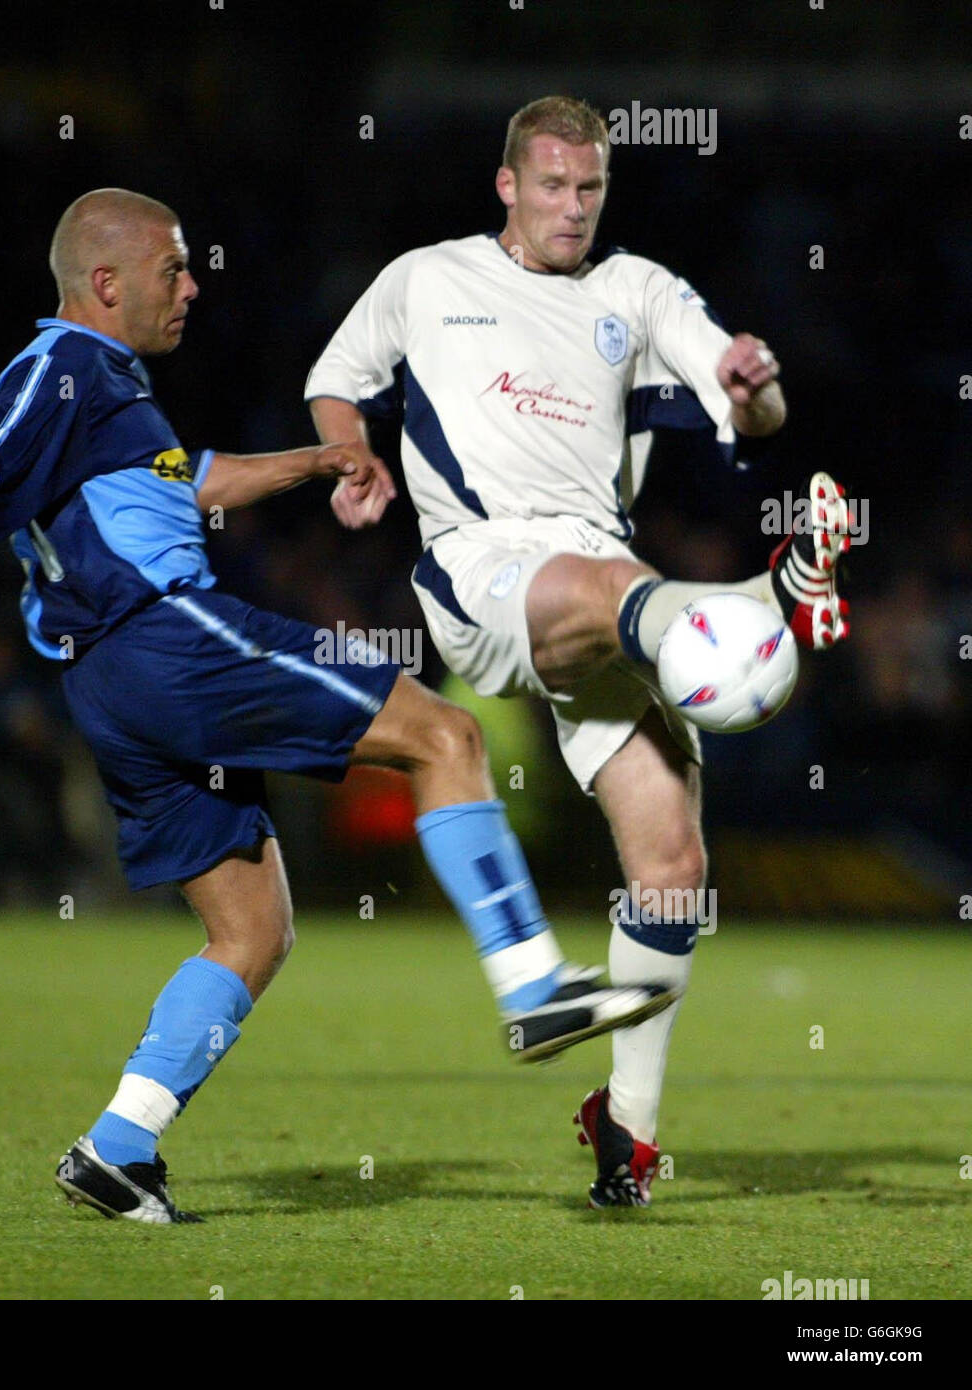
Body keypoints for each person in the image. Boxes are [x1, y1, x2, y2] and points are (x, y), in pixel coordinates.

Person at [0, 187, 675, 1225]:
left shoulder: (112, 388)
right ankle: (531, 982)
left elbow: (189, 486)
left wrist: (317, 459)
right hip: (169, 642)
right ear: (105, 282)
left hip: (110, 682)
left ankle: (117, 1147)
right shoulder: (62, 363)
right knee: (441, 733)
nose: (191, 285)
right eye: (173, 269)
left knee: (251, 931)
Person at [306, 97, 852, 1208]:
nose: (570, 207)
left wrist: (754, 383)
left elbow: (755, 409)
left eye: (588, 189)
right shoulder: (427, 278)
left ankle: (627, 1133)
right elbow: (334, 378)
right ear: (506, 185)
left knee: (671, 868)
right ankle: (752, 601)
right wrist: (348, 456)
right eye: (550, 187)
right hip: (481, 572)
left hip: (604, 596)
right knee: (623, 593)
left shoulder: (633, 291)